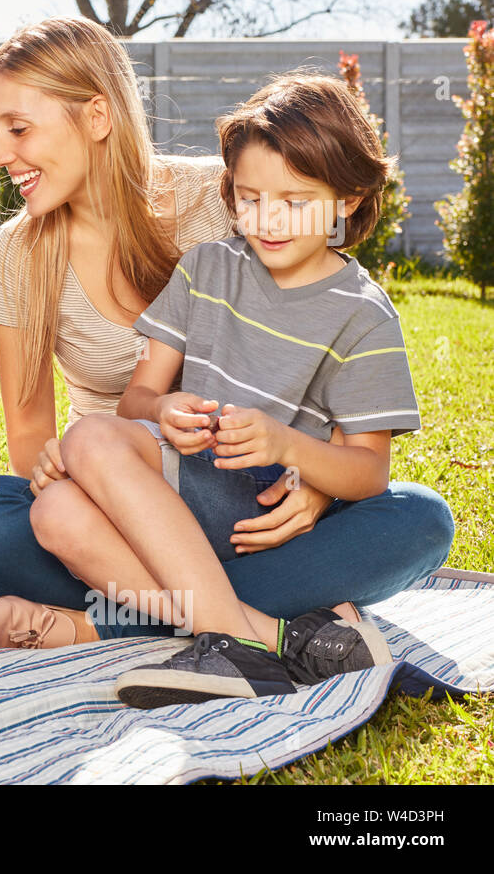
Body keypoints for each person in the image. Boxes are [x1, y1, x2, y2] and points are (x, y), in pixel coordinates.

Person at [0, 18, 453, 655]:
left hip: (259, 502)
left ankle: (124, 619)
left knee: (419, 521)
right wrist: (55, 467)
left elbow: (329, 341)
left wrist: (314, 484)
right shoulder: (18, 254)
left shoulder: (228, 195)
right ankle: (255, 627)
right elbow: (33, 441)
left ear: (97, 114)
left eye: (17, 128)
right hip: (113, 499)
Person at [36, 71, 415, 707]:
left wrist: (286, 443)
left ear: (347, 200)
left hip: (267, 513)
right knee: (50, 509)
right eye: (248, 197)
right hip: (173, 490)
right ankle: (265, 636)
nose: (266, 220)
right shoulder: (206, 268)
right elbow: (136, 403)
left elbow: (367, 475)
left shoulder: (364, 315)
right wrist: (164, 407)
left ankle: (220, 633)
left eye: (295, 202)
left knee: (418, 520)